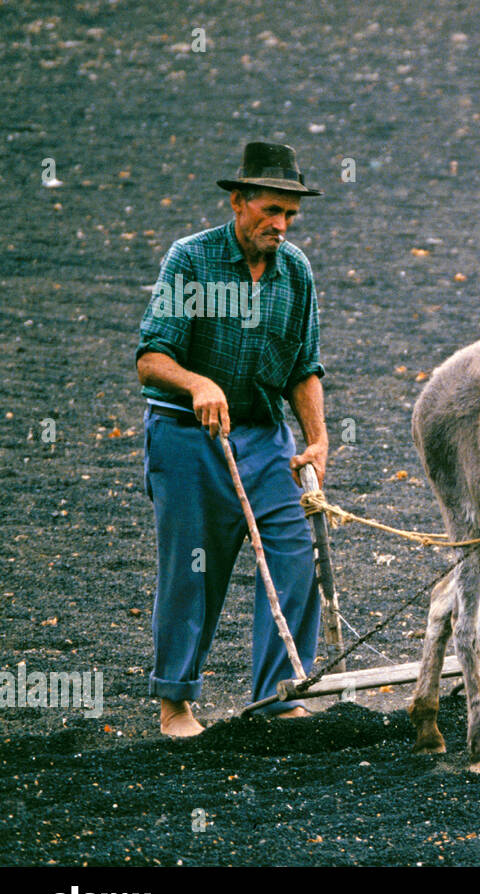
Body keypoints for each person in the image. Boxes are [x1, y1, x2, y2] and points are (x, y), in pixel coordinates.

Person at [136, 142, 328, 735]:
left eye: (290, 215)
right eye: (271, 210)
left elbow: (304, 367)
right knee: (194, 566)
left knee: (298, 552)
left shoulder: (295, 270)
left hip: (264, 437)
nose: (281, 225)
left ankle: (280, 694)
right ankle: (175, 703)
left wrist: (317, 439)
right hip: (187, 437)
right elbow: (151, 357)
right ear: (238, 201)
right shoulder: (190, 261)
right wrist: (197, 383)